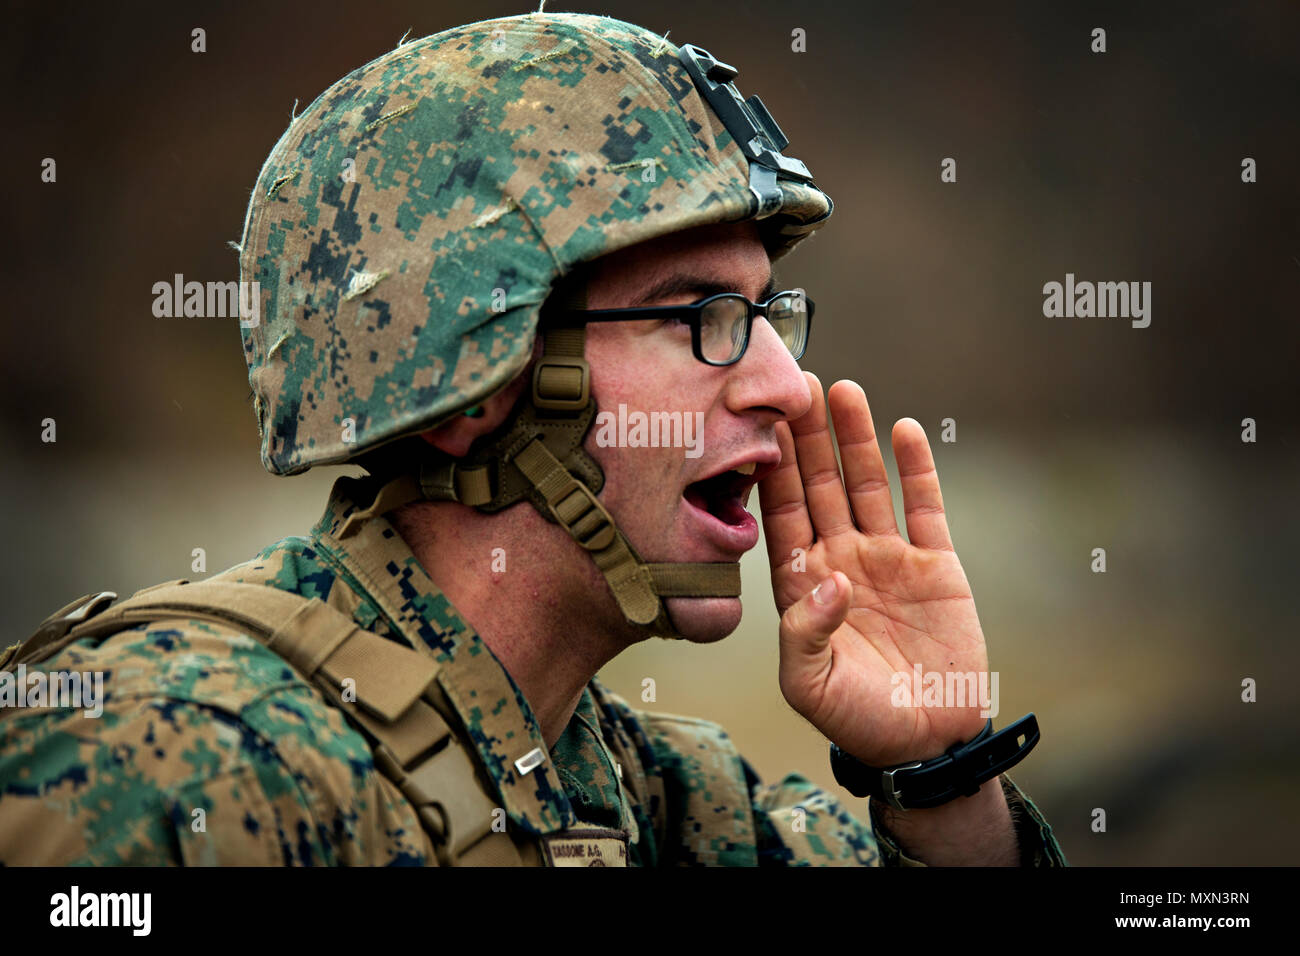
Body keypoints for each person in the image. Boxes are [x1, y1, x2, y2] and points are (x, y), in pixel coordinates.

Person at [0, 12, 1065, 867]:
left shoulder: (659, 799)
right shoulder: (175, 760)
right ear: (476, 377)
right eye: (697, 317)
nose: (787, 386)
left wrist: (939, 773)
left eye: (769, 313)